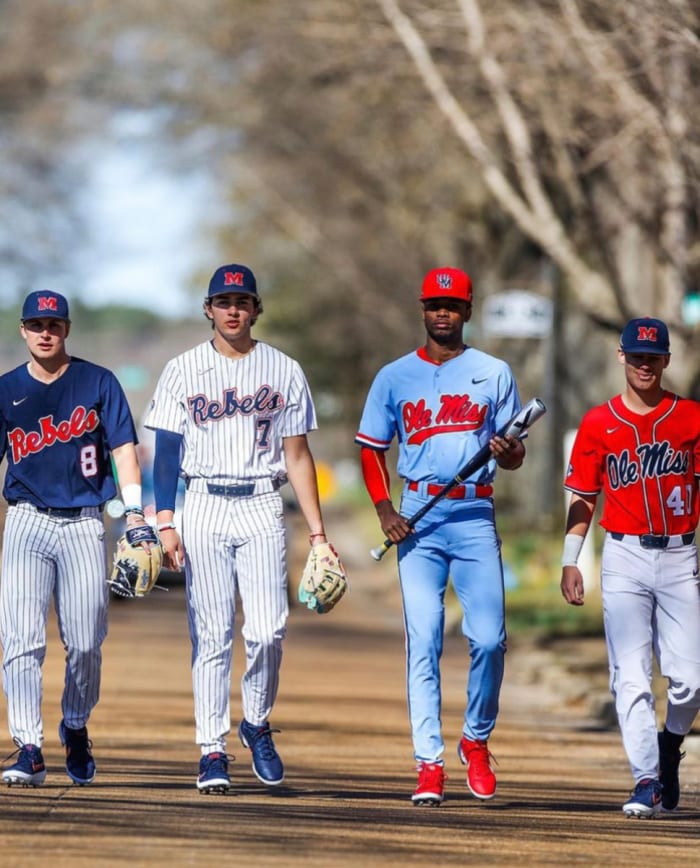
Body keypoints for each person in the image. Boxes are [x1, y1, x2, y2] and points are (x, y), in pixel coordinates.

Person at [144, 262, 332, 794]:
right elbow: (167, 452)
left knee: (269, 629)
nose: (232, 309)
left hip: (261, 504)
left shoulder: (284, 369)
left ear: (255, 309)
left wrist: (318, 535)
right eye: (223, 301)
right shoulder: (182, 369)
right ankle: (211, 749)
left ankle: (255, 721)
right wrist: (165, 521)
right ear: (208, 309)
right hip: (201, 502)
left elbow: (298, 456)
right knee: (212, 634)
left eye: (242, 300)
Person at [355, 267, 526, 805]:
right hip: (417, 517)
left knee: (490, 639)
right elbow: (371, 447)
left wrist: (508, 451)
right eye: (434, 304)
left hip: (474, 515)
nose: (442, 313)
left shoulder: (494, 372)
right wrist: (384, 509)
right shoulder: (394, 376)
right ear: (423, 310)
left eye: (452, 305)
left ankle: (475, 740)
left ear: (468, 311)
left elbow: (517, 451)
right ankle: (428, 762)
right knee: (424, 642)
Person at [0, 290, 152, 787]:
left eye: (55, 324)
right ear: (23, 330)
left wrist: (134, 514)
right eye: (36, 323)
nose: (46, 332)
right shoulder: (6, 390)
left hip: (86, 521)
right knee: (21, 640)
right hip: (25, 519)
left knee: (85, 641)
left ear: (67, 330)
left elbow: (124, 448)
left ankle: (76, 724)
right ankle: (28, 746)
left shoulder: (98, 382)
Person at [560, 317, 700, 818]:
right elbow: (583, 496)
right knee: (632, 677)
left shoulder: (691, 418)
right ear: (622, 357)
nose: (645, 363)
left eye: (653, 355)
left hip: (682, 554)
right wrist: (569, 561)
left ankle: (669, 745)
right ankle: (647, 781)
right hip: (624, 555)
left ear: (666, 360)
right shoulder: (599, 422)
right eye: (636, 355)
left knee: (691, 680)